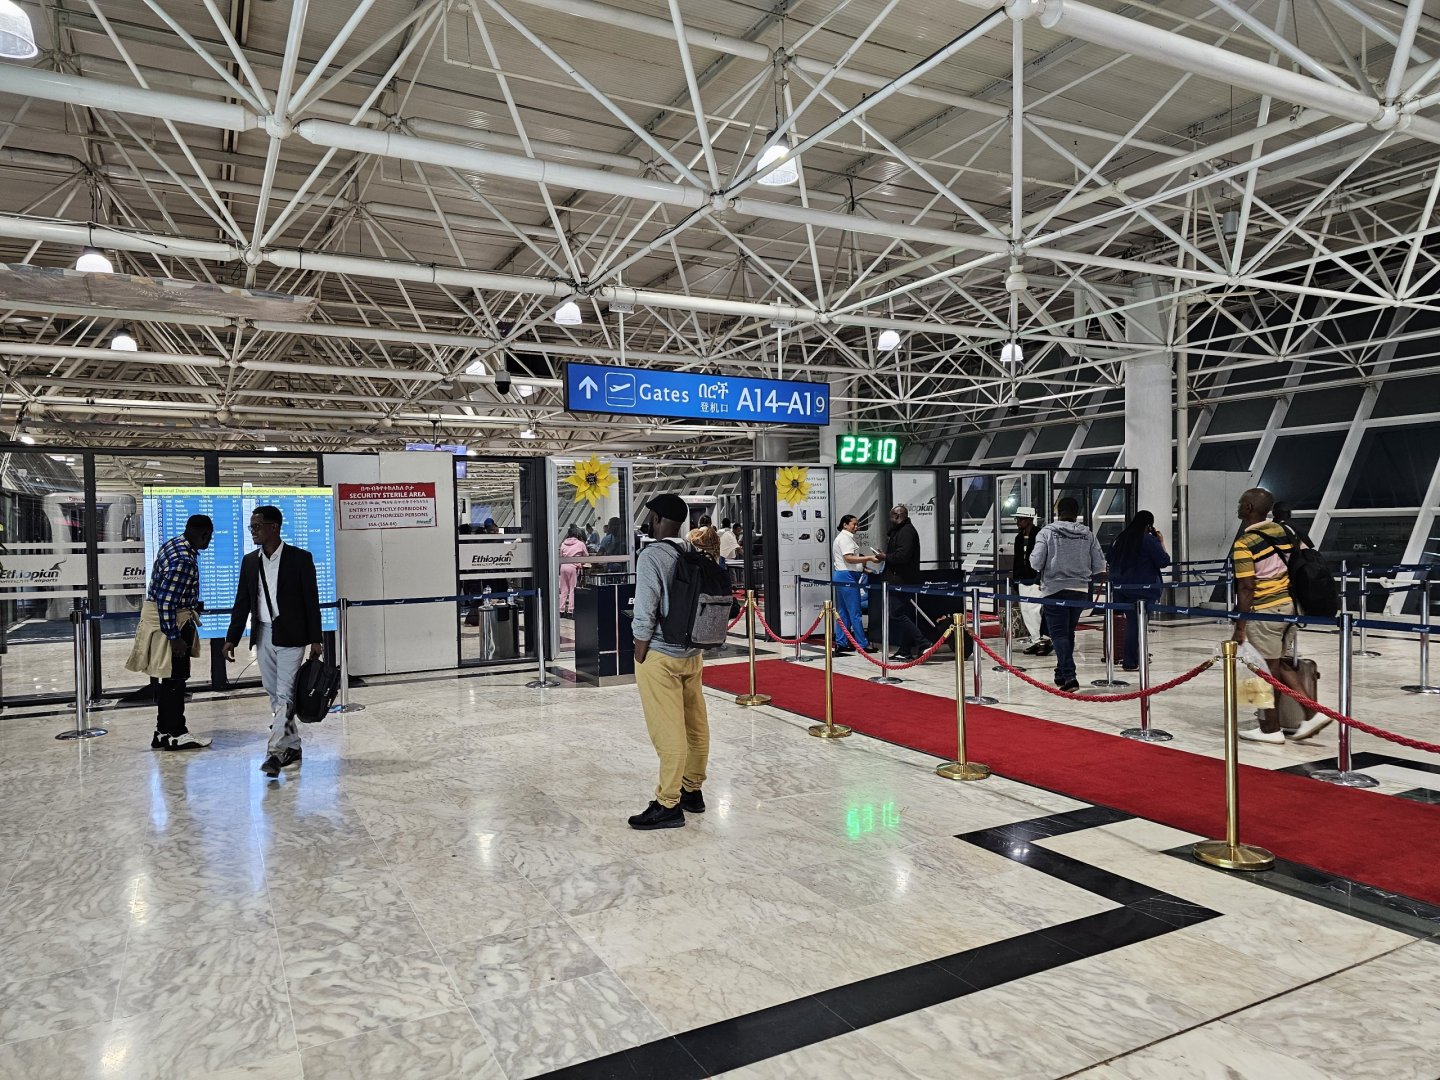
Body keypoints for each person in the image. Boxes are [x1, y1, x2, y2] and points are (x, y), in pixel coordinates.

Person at [224, 505, 324, 779]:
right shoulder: (249, 561)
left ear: (274, 527)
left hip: (292, 635)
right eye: (251, 527)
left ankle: (274, 753)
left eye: (256, 527)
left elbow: (310, 601)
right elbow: (242, 602)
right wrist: (231, 638)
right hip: (264, 634)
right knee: (273, 693)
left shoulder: (300, 559)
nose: (253, 532)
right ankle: (292, 746)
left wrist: (316, 639)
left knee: (285, 695)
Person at [629, 493, 708, 831]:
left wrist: (639, 649)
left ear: (658, 520)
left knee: (668, 729)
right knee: (695, 722)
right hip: (692, 653)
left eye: (651, 518)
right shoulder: (694, 551)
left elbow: (645, 609)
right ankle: (692, 790)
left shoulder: (652, 555)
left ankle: (667, 803)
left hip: (661, 653)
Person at [1231, 487, 1328, 743]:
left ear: (1249, 508)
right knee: (1282, 665)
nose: (1238, 506)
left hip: (1264, 612)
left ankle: (1270, 729)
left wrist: (1240, 626)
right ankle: (1310, 713)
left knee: (1263, 670)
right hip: (1289, 609)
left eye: (1241, 503)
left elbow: (1247, 586)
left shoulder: (1245, 543)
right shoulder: (1284, 532)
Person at [126, 514, 214, 751]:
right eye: (209, 536)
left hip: (163, 622)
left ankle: (163, 731)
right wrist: (174, 637)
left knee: (168, 680)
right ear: (204, 533)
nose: (209, 541)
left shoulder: (172, 544)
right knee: (176, 680)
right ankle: (177, 733)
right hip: (173, 625)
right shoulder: (184, 560)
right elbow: (166, 601)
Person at [1030, 496, 1106, 692]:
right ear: (1076, 512)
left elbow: (1036, 562)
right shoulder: (1088, 534)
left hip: (1055, 589)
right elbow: (1099, 565)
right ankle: (1061, 673)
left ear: (1058, 512)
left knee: (1058, 634)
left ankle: (1070, 676)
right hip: (1080, 590)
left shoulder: (1047, 532)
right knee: (1067, 632)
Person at [1106, 510, 1171, 670]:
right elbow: (1163, 561)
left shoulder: (1120, 539)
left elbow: (1109, 558)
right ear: (1149, 525)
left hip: (1122, 589)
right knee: (1137, 625)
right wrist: (1161, 542)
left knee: (1132, 623)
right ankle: (1131, 659)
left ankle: (1135, 656)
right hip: (1143, 589)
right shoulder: (1148, 540)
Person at [880, 504, 927, 662]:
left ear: (898, 516)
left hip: (902, 579)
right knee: (903, 613)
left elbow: (903, 556)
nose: (890, 520)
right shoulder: (899, 531)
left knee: (897, 613)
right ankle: (905, 650)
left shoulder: (907, 532)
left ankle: (923, 642)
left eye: (892, 516)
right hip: (899, 578)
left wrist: (885, 557)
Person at [831, 515, 874, 654]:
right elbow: (848, 558)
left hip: (842, 575)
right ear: (845, 524)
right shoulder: (845, 538)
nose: (856, 527)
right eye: (854, 524)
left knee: (843, 612)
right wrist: (868, 558)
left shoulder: (844, 538)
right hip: (847, 576)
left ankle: (842, 642)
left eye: (857, 524)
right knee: (854, 612)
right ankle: (862, 643)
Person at [1012, 506, 1050, 654]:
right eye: (1017, 519)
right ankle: (1036, 639)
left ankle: (1043, 640)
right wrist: (1015, 580)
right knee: (1026, 610)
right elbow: (1017, 560)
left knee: (1035, 610)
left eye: (1021, 519)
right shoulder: (1018, 538)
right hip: (1022, 579)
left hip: (1036, 578)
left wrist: (1040, 578)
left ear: (1029, 520)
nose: (1018, 522)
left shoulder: (1040, 535)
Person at [558, 525, 588, 617]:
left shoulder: (563, 543)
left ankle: (561, 610)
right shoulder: (580, 544)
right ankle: (571, 611)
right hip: (573, 568)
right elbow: (586, 555)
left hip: (563, 567)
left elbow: (561, 555)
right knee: (572, 589)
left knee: (563, 589)